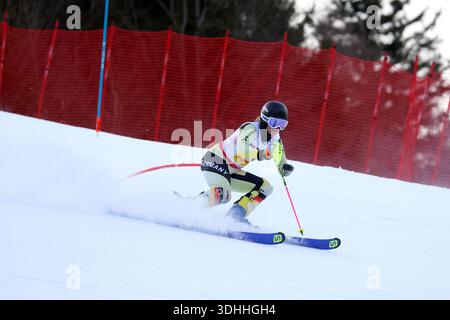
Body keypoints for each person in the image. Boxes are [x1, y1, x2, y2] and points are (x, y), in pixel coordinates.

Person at [200, 100, 294, 224]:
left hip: (231, 169)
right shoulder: (250, 129)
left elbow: (278, 153)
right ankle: (191, 207)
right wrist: (260, 154)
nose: (278, 128)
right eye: (275, 123)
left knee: (265, 188)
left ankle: (235, 215)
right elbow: (241, 150)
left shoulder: (275, 138)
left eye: (283, 124)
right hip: (215, 160)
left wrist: (284, 166)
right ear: (265, 120)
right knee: (223, 194)